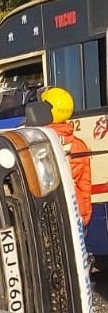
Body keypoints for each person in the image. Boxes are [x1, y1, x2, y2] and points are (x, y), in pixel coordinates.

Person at [42, 87, 92, 228]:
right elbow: (84, 185)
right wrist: (85, 216)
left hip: (49, 212)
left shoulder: (37, 142)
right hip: (75, 210)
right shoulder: (79, 145)